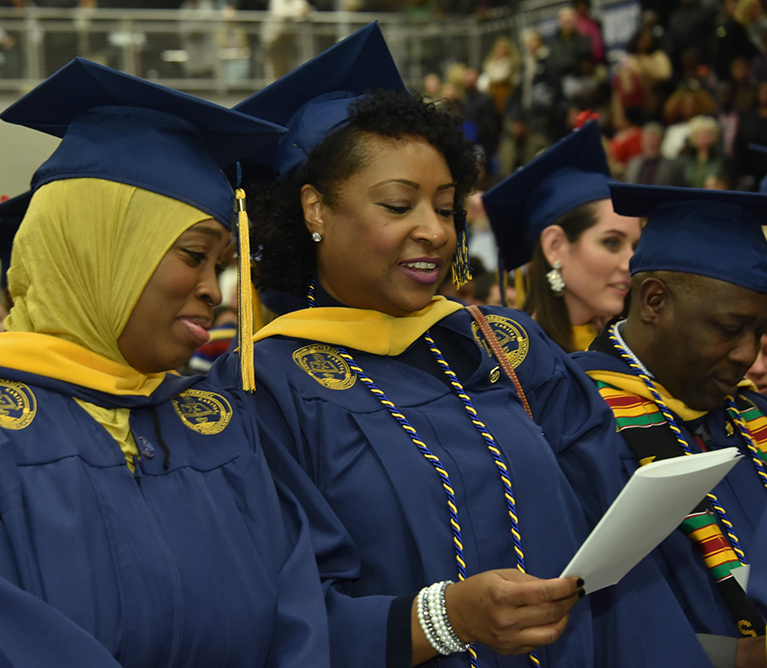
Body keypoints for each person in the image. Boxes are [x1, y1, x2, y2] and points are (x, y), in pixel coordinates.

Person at [224, 23, 709, 668]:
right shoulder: (268, 388)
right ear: (315, 210)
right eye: (399, 205)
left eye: (447, 207)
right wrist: (443, 618)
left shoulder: (506, 347)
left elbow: (617, 544)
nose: (434, 230)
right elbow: (279, 612)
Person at [0, 58, 328, 668]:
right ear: (101, 247)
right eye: (194, 255)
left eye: (221, 263)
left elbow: (295, 616)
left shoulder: (218, 418)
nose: (215, 289)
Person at [573, 183, 767, 668]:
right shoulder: (574, 420)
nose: (748, 355)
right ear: (654, 301)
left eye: (760, 334)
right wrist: (725, 657)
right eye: (728, 329)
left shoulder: (751, 416)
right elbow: (572, 609)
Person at [483, 121, 641, 353]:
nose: (631, 263)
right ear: (555, 246)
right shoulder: (518, 363)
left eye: (636, 246)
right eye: (612, 242)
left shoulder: (623, 350)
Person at [623, 122, 687, 186]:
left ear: (661, 141)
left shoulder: (673, 167)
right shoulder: (632, 164)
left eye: (655, 140)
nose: (652, 143)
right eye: (648, 139)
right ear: (641, 142)